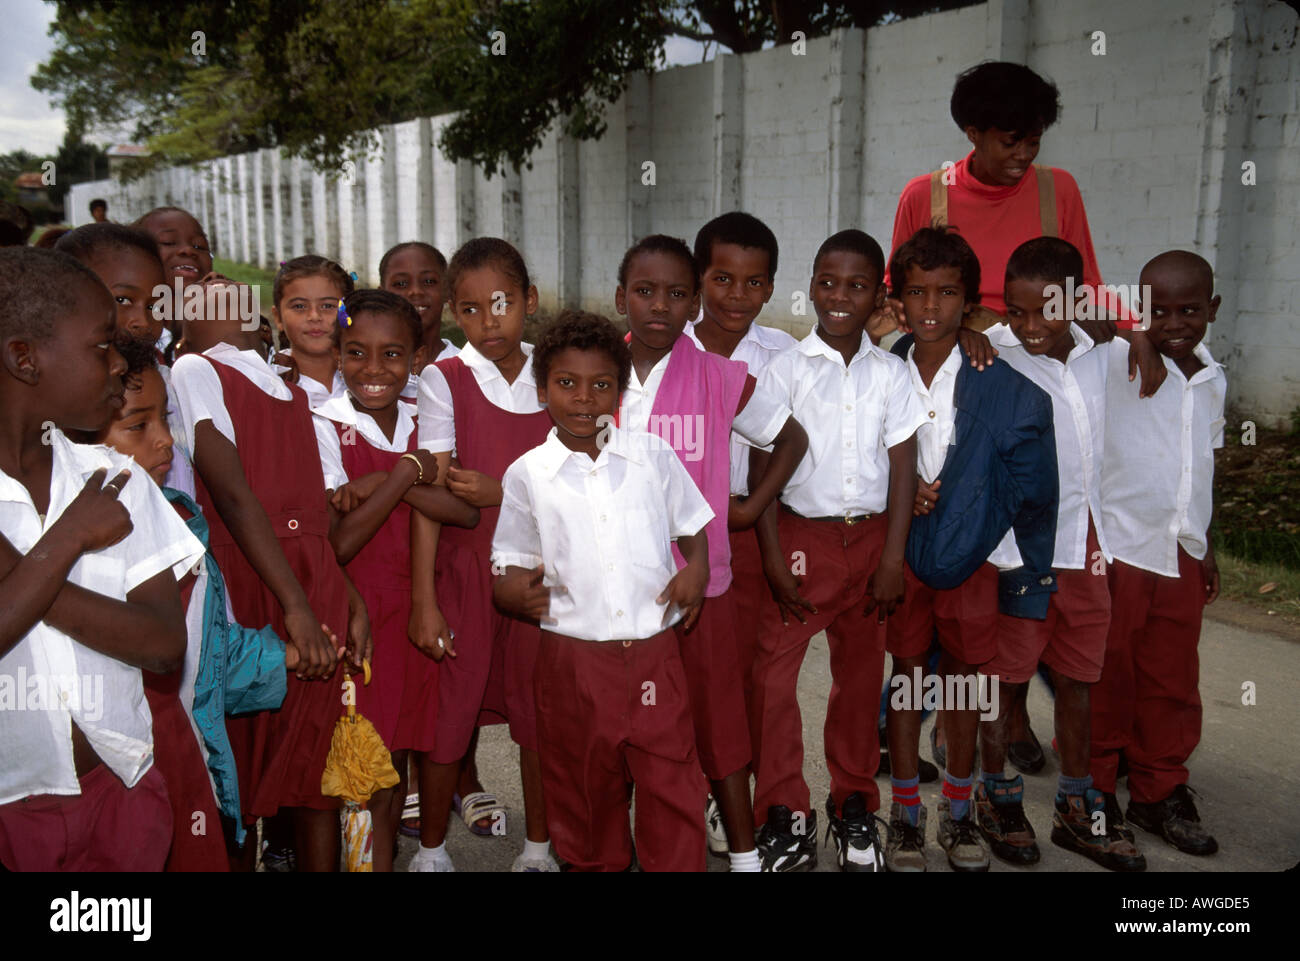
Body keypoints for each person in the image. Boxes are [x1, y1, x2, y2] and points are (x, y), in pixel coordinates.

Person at [0, 247, 203, 871]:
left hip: (122, 784)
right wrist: (67, 539)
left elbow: (164, 643)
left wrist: (21, 570)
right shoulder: (92, 509)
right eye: (99, 346)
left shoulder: (116, 480)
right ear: (25, 358)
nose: (119, 364)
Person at [170, 250, 370, 872]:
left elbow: (314, 514)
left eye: (228, 288)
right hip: (258, 581)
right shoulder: (195, 368)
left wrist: (347, 597)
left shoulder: (286, 389)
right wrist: (295, 605)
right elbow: (230, 492)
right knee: (243, 764)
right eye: (199, 293)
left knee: (311, 771)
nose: (213, 287)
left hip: (309, 580)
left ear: (259, 321)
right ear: (185, 325)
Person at [492, 310, 713, 871]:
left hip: (654, 654)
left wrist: (697, 568)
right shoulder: (527, 474)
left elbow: (691, 525)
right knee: (584, 791)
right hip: (572, 664)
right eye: (567, 383)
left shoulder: (652, 456)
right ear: (543, 390)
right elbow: (509, 562)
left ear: (620, 391)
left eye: (601, 384)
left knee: (673, 782)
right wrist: (511, 592)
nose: (584, 399)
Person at [614, 232, 807, 870]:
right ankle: (622, 848)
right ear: (622, 298)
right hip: (613, 582)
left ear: (692, 300)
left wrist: (746, 508)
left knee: (719, 719)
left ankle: (746, 854)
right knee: (625, 719)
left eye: (676, 294)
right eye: (645, 292)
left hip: (703, 583)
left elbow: (791, 438)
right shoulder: (595, 371)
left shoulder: (720, 377)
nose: (660, 307)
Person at [975, 237, 1154, 873]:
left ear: (1077, 301)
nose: (1028, 328)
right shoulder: (992, 351)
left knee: (1079, 680)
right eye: (1015, 312)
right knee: (1006, 679)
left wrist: (1135, 337)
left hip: (1087, 548)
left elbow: (1165, 337)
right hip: (1017, 552)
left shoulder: (1104, 351)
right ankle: (997, 799)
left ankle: (1079, 810)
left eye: (1043, 314)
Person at [882, 226, 1058, 872]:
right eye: (918, 293)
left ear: (970, 303)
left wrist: (969, 507)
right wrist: (900, 491)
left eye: (947, 293)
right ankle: (904, 815)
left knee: (964, 685)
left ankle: (958, 813)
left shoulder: (992, 376)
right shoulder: (882, 368)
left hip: (974, 558)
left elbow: (1026, 476)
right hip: (902, 551)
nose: (932, 307)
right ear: (898, 301)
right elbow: (851, 454)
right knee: (906, 680)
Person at [749, 229, 925, 872]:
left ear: (878, 292)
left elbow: (903, 468)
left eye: (856, 285)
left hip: (872, 542)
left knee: (858, 681)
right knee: (773, 679)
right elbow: (762, 471)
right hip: (801, 539)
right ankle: (783, 811)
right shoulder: (785, 369)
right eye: (827, 282)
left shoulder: (892, 372)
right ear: (812, 285)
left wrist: (891, 558)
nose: (839, 296)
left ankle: (854, 805)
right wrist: (771, 556)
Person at [94, 336, 290, 870]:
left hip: (184, 761)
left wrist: (285, 658)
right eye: (138, 425)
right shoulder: (75, 551)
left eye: (166, 419)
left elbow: (205, 656)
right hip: (117, 776)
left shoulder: (177, 517)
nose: (166, 444)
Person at [314, 289, 479, 870]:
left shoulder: (427, 418)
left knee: (401, 760)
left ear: (417, 359)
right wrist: (408, 473)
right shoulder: (323, 425)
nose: (374, 369)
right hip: (361, 621)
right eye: (356, 352)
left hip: (421, 609)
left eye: (392, 354)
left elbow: (465, 511)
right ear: (336, 354)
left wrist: (384, 483)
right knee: (365, 777)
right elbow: (341, 541)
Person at [411, 237, 554, 872]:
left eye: (500, 303)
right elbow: (432, 488)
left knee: (538, 713)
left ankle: (540, 845)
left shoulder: (556, 373)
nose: (487, 321)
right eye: (467, 310)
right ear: (451, 313)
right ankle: (434, 851)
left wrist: (502, 489)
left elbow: (586, 470)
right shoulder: (444, 380)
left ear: (529, 300)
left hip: (538, 572)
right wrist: (423, 598)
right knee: (452, 710)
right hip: (466, 573)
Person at [1092, 250, 1225, 856]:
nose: (1175, 322)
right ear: (1140, 309)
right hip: (1122, 546)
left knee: (1173, 677)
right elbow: (1069, 310)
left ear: (1212, 310)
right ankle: (1093, 787)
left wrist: (1207, 542)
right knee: (1108, 672)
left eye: (1190, 309)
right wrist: (1129, 333)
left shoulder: (1213, 378)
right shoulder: (1117, 359)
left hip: (1182, 550)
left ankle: (1158, 788)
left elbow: (1202, 463)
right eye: (1159, 310)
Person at [889, 61, 1114, 333]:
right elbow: (897, 289)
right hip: (952, 350)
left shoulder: (1059, 189)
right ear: (973, 134)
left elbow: (1087, 285)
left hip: (1039, 345)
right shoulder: (922, 195)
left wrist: (1136, 330)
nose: (1023, 155)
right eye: (1010, 142)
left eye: (1033, 142)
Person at [272, 255, 355, 408]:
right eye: (299, 306)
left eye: (328, 306)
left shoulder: (371, 376)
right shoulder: (268, 384)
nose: (314, 316)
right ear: (278, 318)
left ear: (349, 312)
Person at [379, 241, 459, 373]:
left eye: (428, 281)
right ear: (382, 295)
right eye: (401, 284)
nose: (415, 291)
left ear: (446, 290)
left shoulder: (467, 368)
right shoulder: (369, 368)